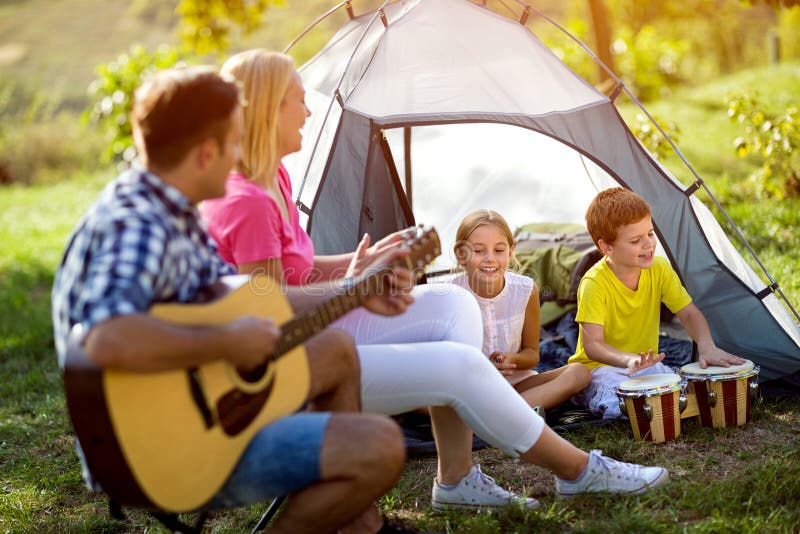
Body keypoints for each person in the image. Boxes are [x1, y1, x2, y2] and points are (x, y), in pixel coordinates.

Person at [201, 48, 671, 510]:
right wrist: (354, 288)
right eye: (298, 100)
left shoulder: (274, 179)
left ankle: (457, 476)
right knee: (456, 366)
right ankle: (578, 471)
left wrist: (361, 262)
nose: (307, 111)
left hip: (319, 327)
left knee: (454, 304)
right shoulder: (245, 202)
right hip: (286, 363)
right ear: (267, 108)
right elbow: (262, 300)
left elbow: (291, 268)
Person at [51, 66, 419, 534]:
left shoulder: (174, 210)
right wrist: (226, 343)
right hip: (166, 449)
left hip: (206, 400)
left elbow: (253, 296)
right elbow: (107, 340)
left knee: (335, 351)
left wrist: (354, 290)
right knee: (382, 445)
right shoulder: (137, 225)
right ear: (207, 153)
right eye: (235, 144)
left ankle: (355, 528)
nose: (241, 157)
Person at [568, 187, 747, 420]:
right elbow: (593, 346)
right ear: (606, 247)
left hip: (644, 365)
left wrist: (706, 345)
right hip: (599, 369)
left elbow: (689, 314)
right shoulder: (594, 283)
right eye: (635, 240)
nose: (648, 244)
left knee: (677, 392)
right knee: (623, 403)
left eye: (650, 233)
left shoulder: (659, 268)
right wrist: (629, 360)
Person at [448, 209, 592, 413]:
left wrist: (512, 360)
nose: (490, 258)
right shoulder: (451, 296)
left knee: (580, 373)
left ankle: (498, 415)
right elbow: (445, 364)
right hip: (471, 390)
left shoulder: (526, 290)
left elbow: (532, 354)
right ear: (461, 254)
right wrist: (481, 367)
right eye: (478, 251)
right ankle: (514, 414)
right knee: (416, 396)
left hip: (516, 385)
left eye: (499, 250)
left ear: (510, 251)